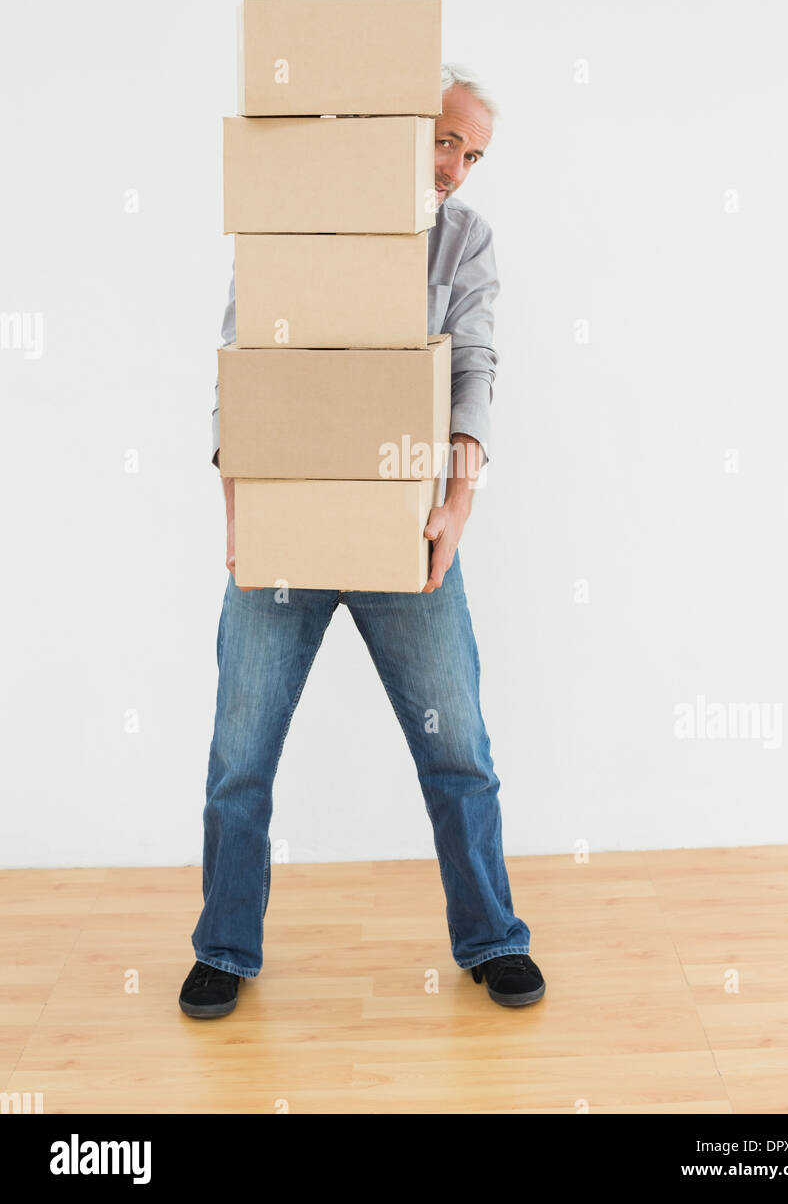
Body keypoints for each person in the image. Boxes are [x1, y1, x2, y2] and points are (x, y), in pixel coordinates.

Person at [179, 65, 544, 1018]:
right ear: (391, 128)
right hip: (289, 533)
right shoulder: (294, 229)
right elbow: (242, 369)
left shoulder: (463, 241)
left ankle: (493, 939)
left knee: (458, 749)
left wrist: (457, 510)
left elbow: (474, 370)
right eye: (444, 140)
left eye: (473, 154)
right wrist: (239, 509)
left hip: (402, 536)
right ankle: (224, 946)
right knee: (239, 756)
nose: (458, 168)